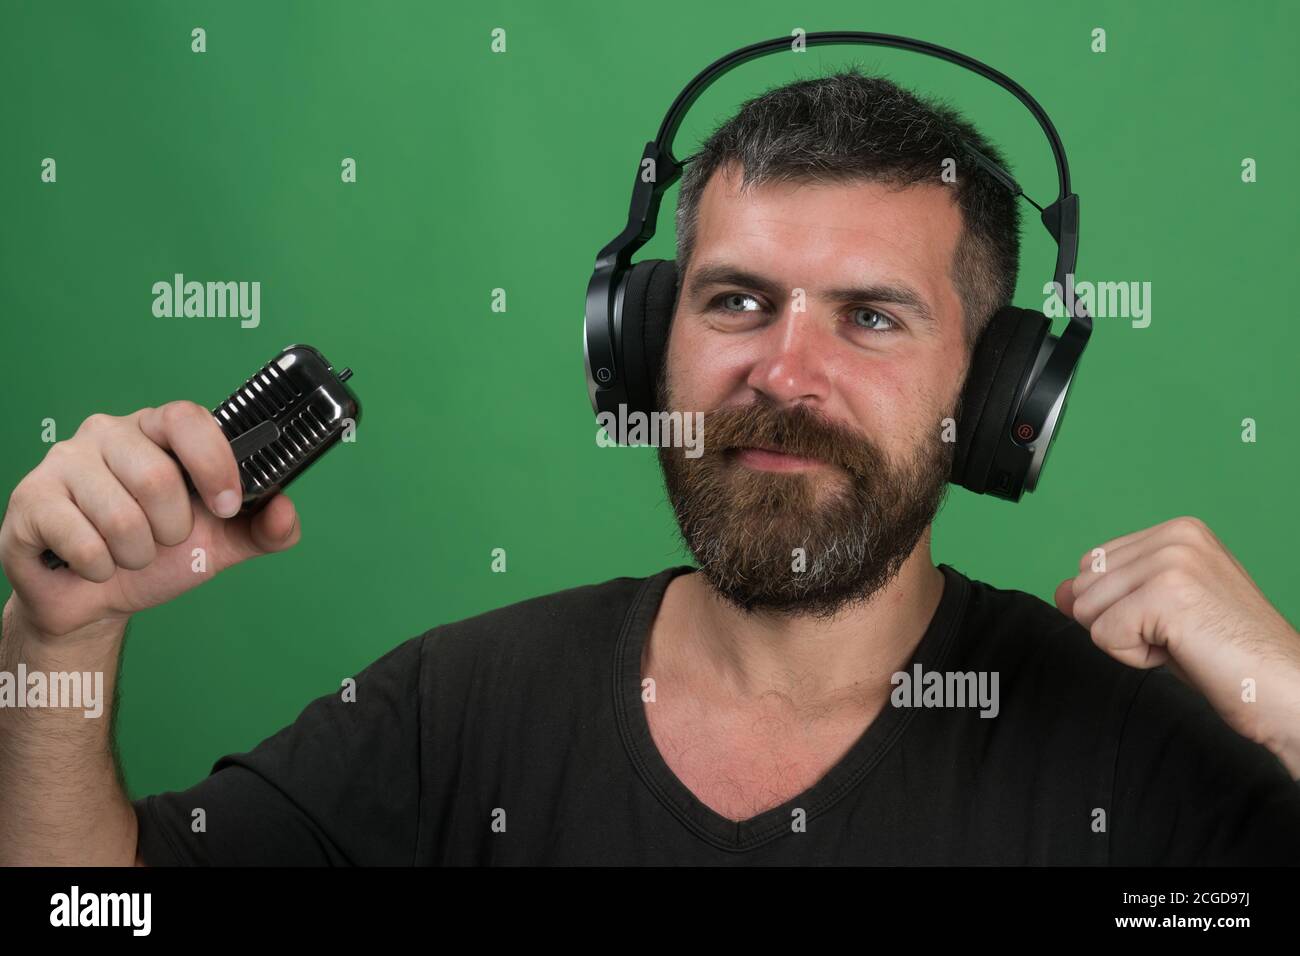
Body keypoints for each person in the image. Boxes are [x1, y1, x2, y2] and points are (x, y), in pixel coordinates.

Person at [2, 69, 1298, 866]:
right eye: (737, 302)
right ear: (639, 349)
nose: (785, 373)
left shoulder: (1126, 760)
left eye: (872, 315)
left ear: (1003, 390)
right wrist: (60, 643)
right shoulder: (460, 714)